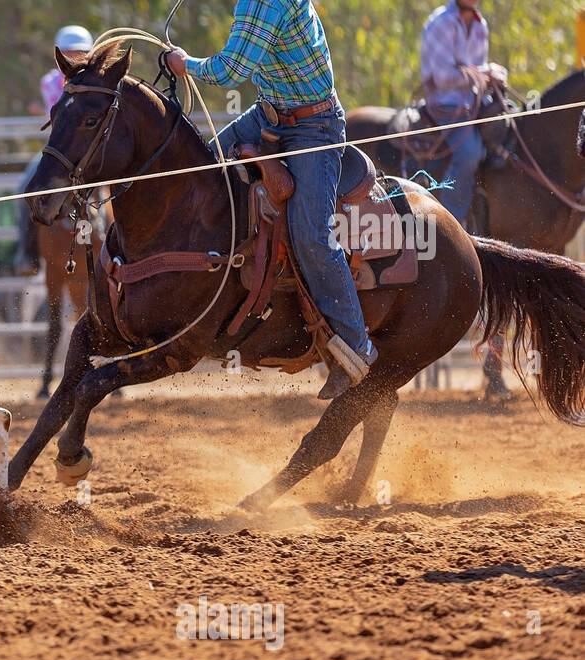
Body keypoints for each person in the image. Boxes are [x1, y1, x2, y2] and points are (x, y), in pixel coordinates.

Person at [168, 1, 374, 400]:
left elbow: (231, 70)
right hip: (270, 114)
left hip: (315, 128)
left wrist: (184, 63)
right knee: (205, 173)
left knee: (312, 236)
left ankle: (357, 346)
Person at [16, 25, 95, 277]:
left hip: (89, 148)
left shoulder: (97, 78)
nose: (74, 58)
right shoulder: (51, 80)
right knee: (24, 187)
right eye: (69, 53)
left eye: (80, 53)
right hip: (59, 147)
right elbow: (61, 108)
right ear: (60, 55)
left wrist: (41, 110)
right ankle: (27, 253)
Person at [420, 0, 507, 226]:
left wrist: (491, 79)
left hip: (474, 103)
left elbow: (476, 72)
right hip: (445, 103)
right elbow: (443, 77)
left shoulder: (480, 26)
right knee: (468, 153)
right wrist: (486, 73)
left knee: (510, 130)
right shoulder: (441, 23)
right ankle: (450, 225)